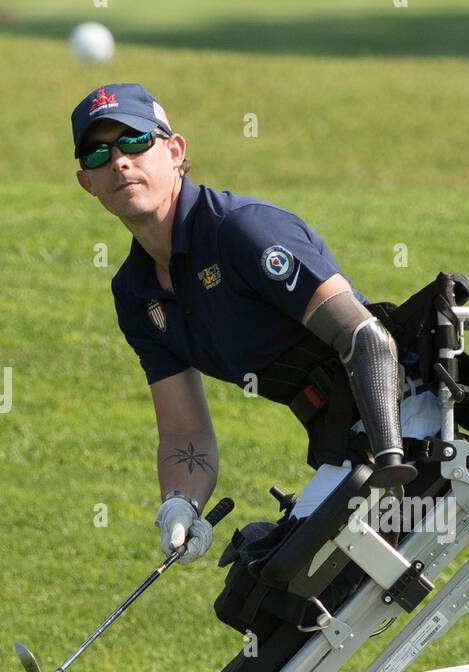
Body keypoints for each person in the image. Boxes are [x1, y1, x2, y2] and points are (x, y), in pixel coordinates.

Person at [70, 83, 443, 567]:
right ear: (87, 182)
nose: (120, 161)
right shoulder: (135, 295)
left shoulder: (240, 230)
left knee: (285, 584)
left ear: (175, 151)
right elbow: (186, 434)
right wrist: (180, 504)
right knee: (259, 587)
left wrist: (389, 459)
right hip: (346, 443)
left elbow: (365, 338)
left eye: (137, 141)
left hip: (408, 417)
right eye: (100, 152)